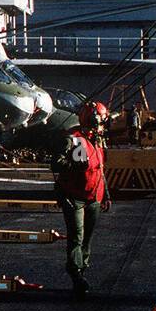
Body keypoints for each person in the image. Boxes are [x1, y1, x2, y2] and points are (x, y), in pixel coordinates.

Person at [52, 101, 111, 299]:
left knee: (87, 238)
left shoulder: (97, 140)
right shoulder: (75, 139)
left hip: (94, 196)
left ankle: (82, 268)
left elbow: (101, 169)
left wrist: (106, 194)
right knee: (76, 236)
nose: (103, 124)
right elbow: (56, 164)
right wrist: (72, 165)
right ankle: (75, 273)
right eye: (101, 120)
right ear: (93, 119)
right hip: (75, 197)